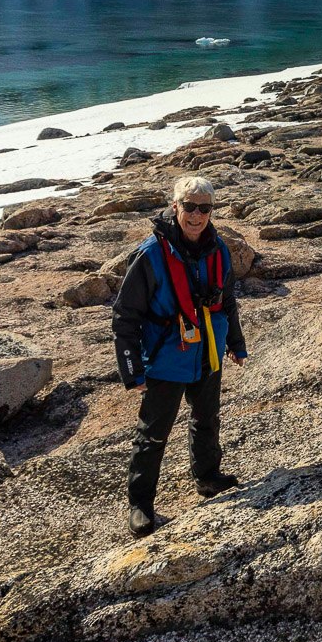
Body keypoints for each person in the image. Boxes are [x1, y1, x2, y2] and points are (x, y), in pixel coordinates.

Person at [111, 175, 247, 537]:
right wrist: (131, 371)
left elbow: (227, 301)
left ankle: (207, 476)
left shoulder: (218, 248)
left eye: (204, 208)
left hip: (209, 351)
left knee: (207, 419)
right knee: (153, 434)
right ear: (175, 207)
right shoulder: (151, 254)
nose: (196, 215)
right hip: (167, 357)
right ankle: (140, 504)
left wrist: (236, 344)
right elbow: (125, 316)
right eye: (189, 206)